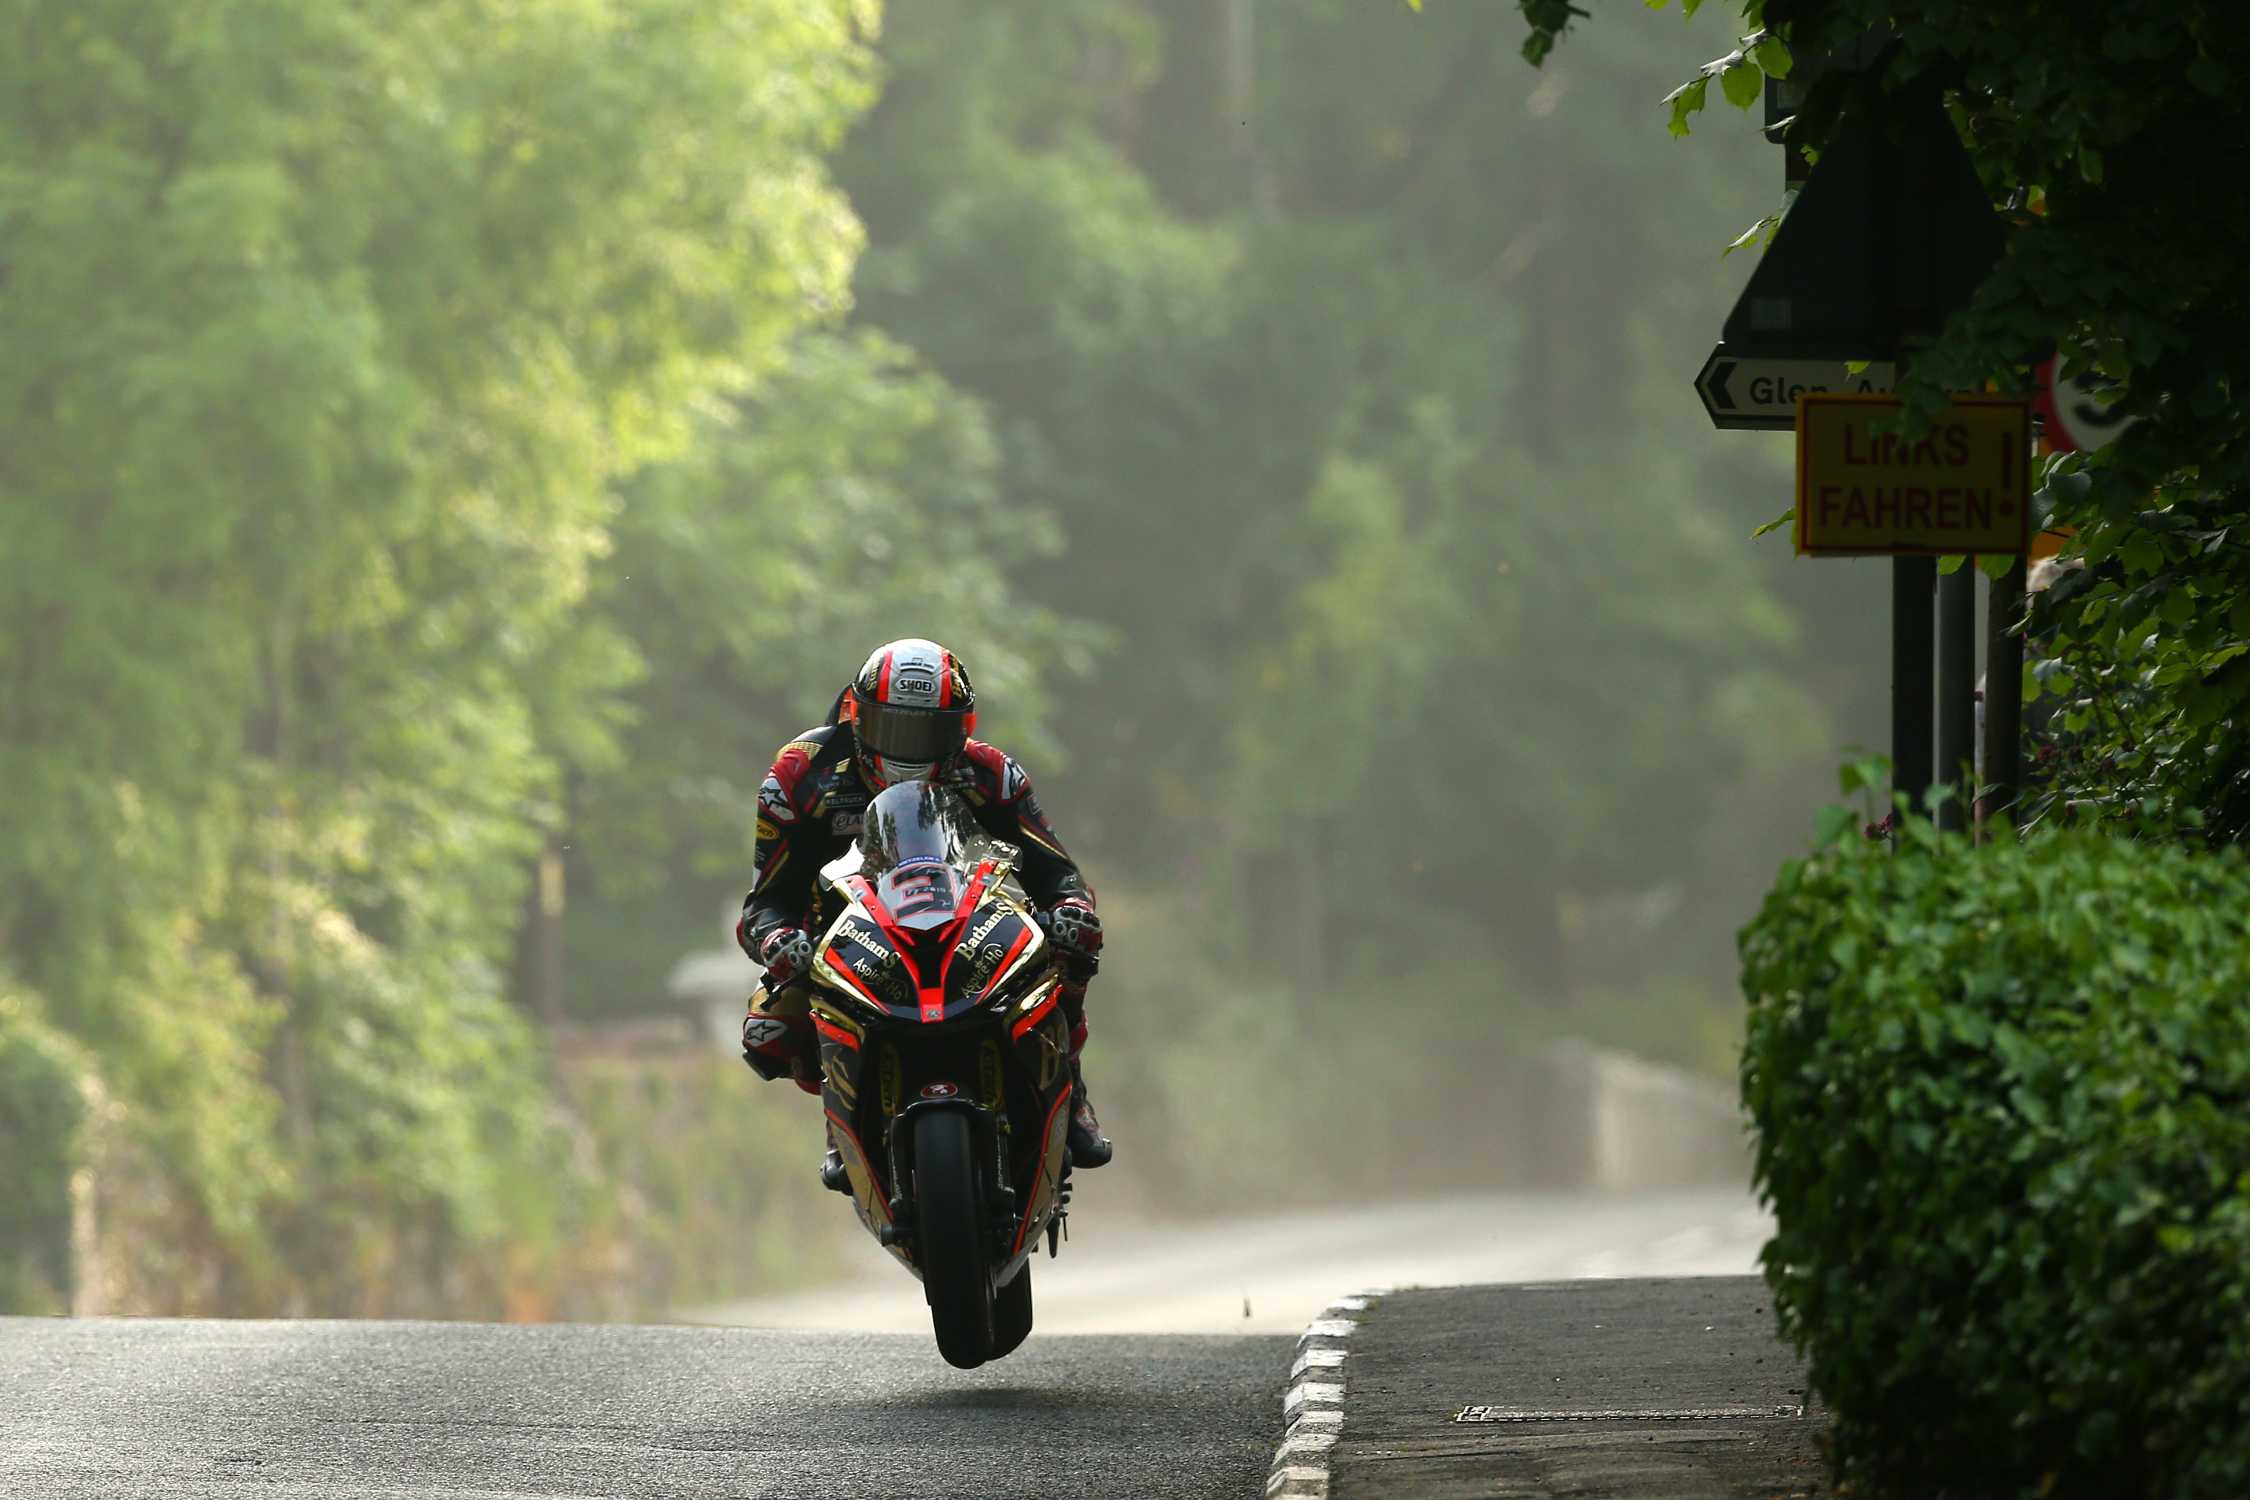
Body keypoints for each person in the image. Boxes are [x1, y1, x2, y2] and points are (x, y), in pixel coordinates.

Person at [736, 638, 1112, 1171]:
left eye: (927, 733)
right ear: (857, 717)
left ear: (962, 730)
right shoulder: (801, 776)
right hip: (848, 935)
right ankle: (842, 1114)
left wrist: (1072, 907)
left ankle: (1070, 1092)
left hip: (969, 922)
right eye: (892, 728)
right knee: (767, 1031)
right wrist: (778, 939)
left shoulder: (992, 775)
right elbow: (766, 901)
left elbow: (1055, 868)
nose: (908, 750)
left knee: (1076, 937)